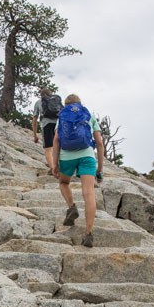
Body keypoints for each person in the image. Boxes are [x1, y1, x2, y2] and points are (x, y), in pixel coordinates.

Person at [52, 94, 104, 248]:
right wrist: (99, 168)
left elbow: (56, 140)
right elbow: (99, 142)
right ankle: (88, 234)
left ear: (65, 105)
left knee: (63, 182)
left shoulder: (62, 116)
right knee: (88, 193)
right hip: (87, 155)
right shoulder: (89, 115)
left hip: (67, 156)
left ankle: (72, 207)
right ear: (80, 103)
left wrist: (54, 164)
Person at [31, 87, 62, 174]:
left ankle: (53, 169)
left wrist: (35, 135)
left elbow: (34, 119)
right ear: (51, 94)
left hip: (46, 125)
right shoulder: (56, 101)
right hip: (58, 125)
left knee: (48, 148)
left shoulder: (38, 102)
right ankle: (61, 166)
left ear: (41, 95)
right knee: (59, 146)